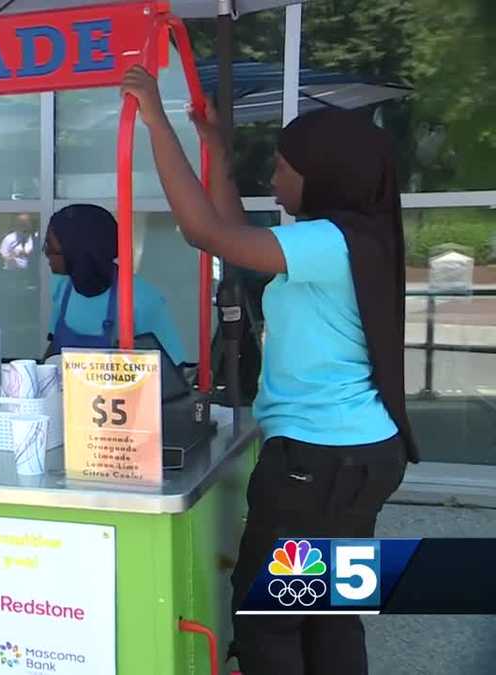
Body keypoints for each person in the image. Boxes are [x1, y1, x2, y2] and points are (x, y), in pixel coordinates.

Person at [122, 67, 415, 675]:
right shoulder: (351, 237)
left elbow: (204, 232)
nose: (273, 179)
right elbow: (234, 237)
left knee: (268, 620)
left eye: (283, 168)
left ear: (323, 174)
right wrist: (216, 152)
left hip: (318, 461)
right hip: (361, 454)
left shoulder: (329, 242)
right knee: (328, 613)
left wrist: (155, 120)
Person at [43, 203, 185, 362]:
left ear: (76, 249)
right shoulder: (62, 288)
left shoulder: (143, 299)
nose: (45, 252)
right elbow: (53, 350)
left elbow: (172, 367)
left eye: (50, 246)